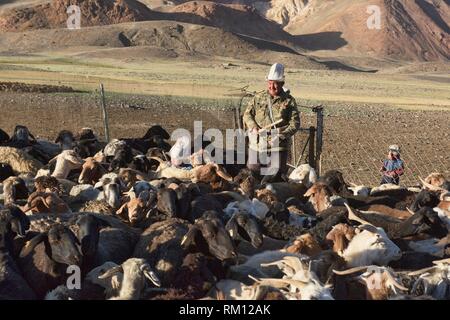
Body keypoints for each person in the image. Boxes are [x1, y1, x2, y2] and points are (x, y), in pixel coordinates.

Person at [243, 63, 300, 182]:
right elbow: (247, 114)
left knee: (274, 178)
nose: (272, 86)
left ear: (282, 84)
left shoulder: (289, 101)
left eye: (275, 83)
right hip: (257, 145)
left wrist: (281, 136)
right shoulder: (258, 97)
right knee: (252, 175)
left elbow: (295, 123)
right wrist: (253, 127)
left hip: (277, 147)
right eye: (269, 83)